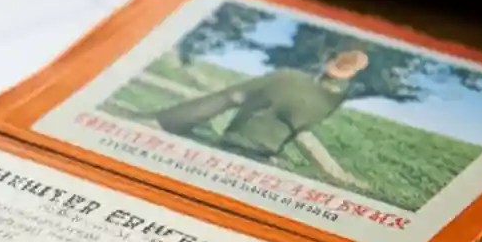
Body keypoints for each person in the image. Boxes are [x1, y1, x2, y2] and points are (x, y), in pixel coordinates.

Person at [155, 50, 370, 160]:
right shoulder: (330, 105)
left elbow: (233, 97)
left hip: (233, 145)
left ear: (329, 60)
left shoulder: (288, 78)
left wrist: (169, 121)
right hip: (265, 156)